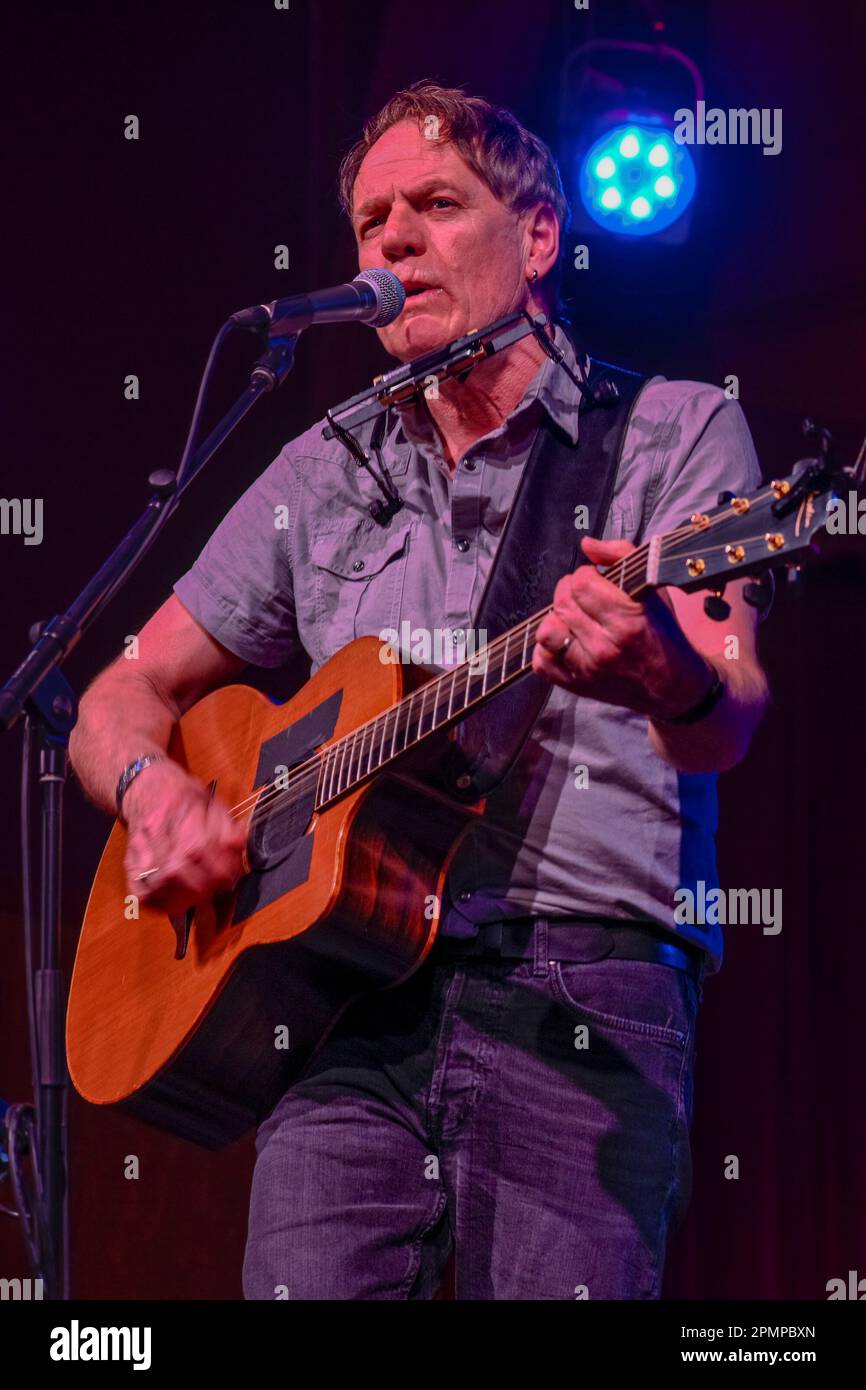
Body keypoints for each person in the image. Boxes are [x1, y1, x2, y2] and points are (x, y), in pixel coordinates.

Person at [69, 81, 769, 1300]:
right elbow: (113, 694)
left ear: (539, 236)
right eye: (371, 219)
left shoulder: (672, 434)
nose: (392, 239)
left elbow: (727, 717)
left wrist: (655, 665)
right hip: (342, 1013)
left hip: (578, 992)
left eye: (436, 206)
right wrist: (156, 795)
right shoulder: (321, 466)